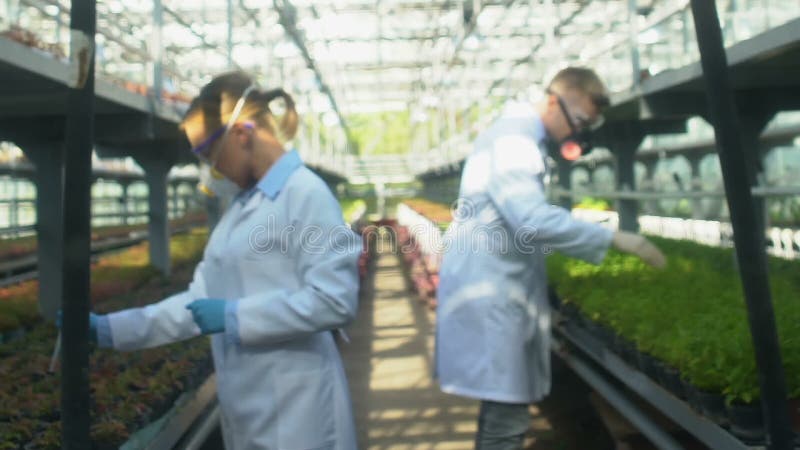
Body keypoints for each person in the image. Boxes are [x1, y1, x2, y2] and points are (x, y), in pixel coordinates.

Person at [62, 71, 362, 449]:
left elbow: (335, 301)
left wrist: (236, 316)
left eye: (210, 155)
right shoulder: (237, 211)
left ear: (243, 133)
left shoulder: (307, 195)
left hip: (300, 415)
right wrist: (112, 329)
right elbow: (197, 304)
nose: (211, 170)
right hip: (248, 411)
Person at [435, 67, 666, 449]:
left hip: (497, 288)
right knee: (505, 421)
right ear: (553, 101)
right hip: (492, 297)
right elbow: (531, 218)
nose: (578, 134)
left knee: (501, 415)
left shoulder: (519, 137)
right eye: (579, 122)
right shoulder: (513, 142)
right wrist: (615, 238)